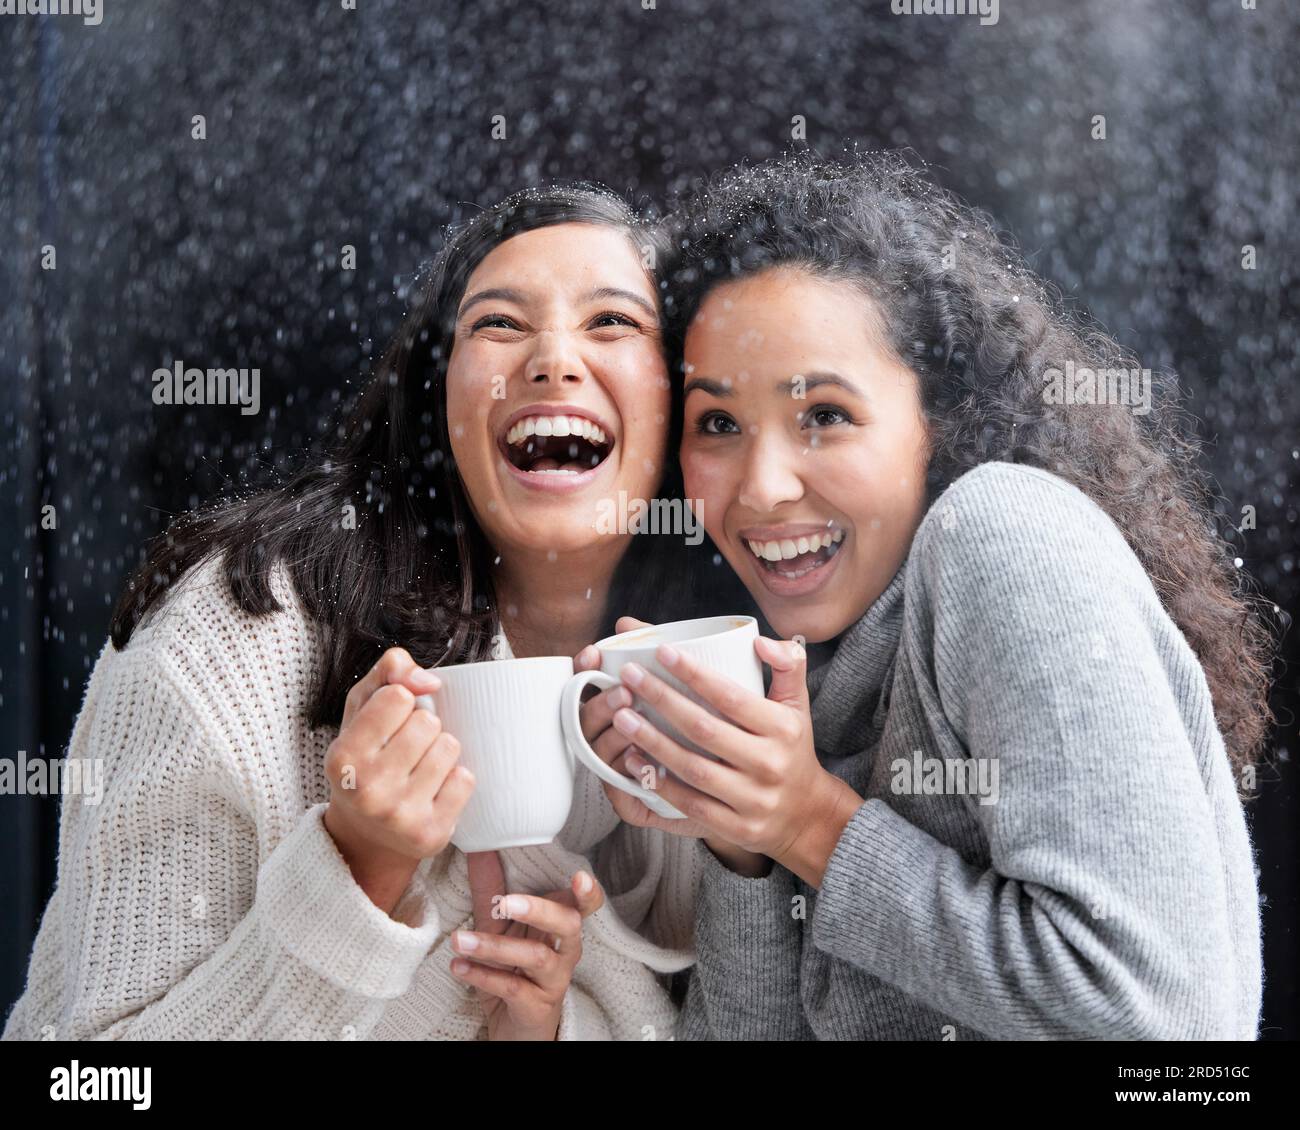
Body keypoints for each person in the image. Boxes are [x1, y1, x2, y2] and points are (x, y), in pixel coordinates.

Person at [578, 152, 1274, 1039]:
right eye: (717, 424)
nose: (761, 489)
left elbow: (1157, 1027)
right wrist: (744, 841)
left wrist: (810, 824)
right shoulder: (812, 681)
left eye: (823, 414)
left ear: (939, 420)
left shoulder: (1006, 532)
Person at [3, 183, 713, 1041]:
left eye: (612, 323)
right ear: (436, 394)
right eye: (497, 323)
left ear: (687, 397)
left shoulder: (722, 668)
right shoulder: (237, 635)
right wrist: (358, 870)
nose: (553, 359)